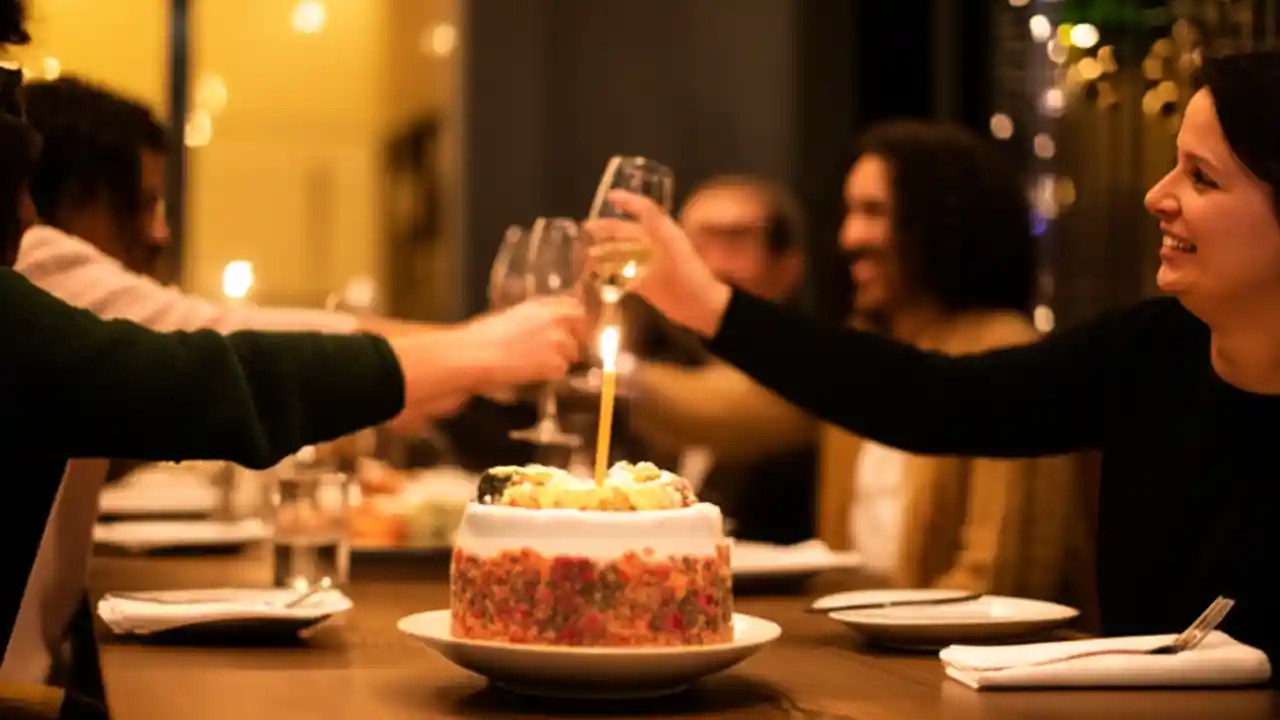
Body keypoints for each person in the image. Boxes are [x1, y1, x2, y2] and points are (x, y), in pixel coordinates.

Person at [595, 48, 1280, 667]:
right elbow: (933, 398)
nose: (1157, 196)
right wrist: (709, 306)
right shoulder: (1150, 350)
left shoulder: (1028, 334)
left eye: (1202, 178)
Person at [812, 121, 1088, 599]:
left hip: (958, 645)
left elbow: (1001, 581)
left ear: (942, 222)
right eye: (849, 211)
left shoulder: (1007, 352)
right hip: (869, 636)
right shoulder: (865, 345)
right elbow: (734, 406)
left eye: (874, 212)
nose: (849, 237)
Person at [626, 174, 818, 544]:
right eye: (694, 244)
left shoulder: (813, 364)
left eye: (735, 241)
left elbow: (730, 406)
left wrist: (601, 370)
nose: (712, 265)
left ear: (789, 264)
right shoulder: (664, 351)